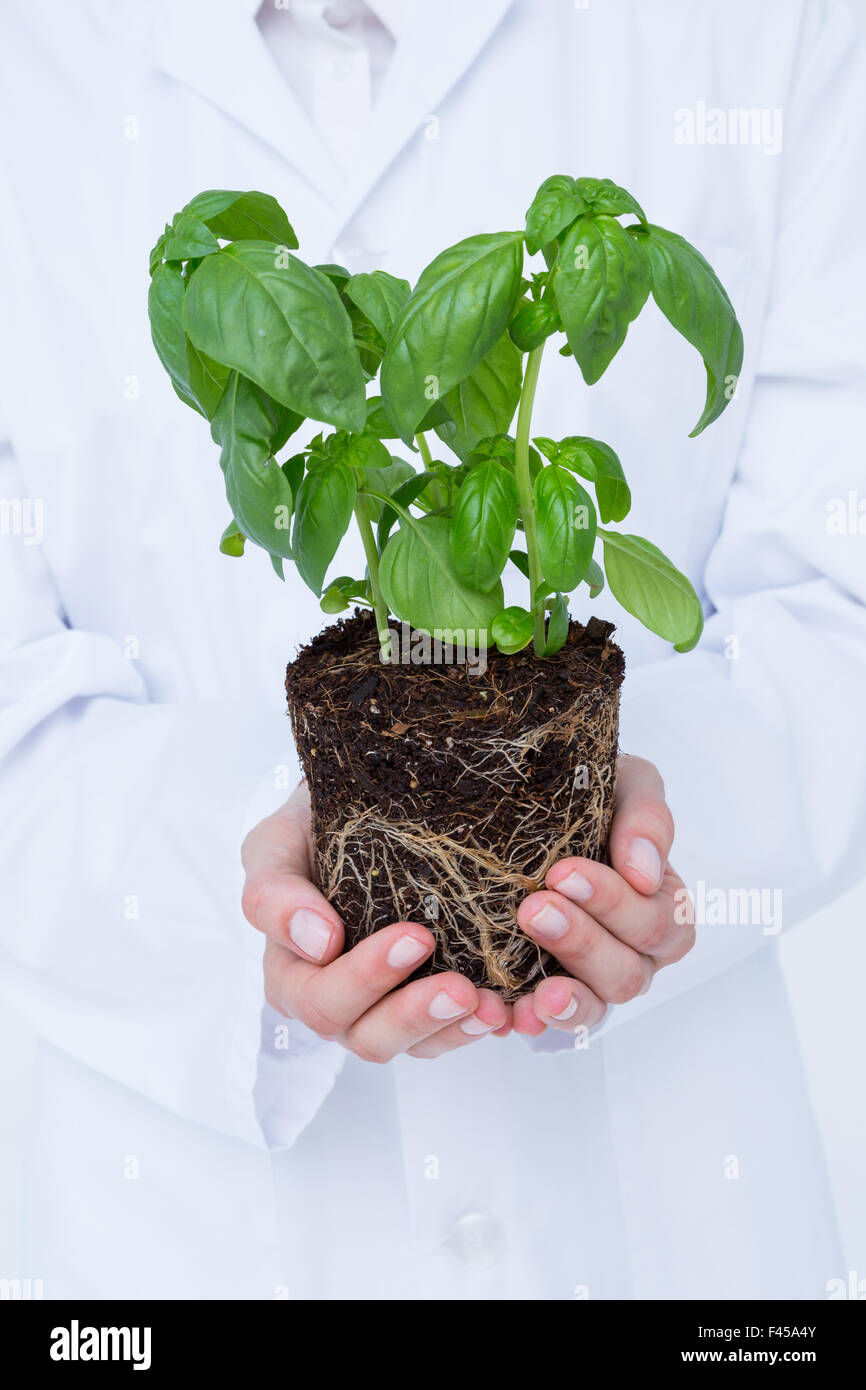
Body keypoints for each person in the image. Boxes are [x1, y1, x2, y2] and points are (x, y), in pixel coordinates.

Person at [1, 0, 864, 1299]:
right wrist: (257, 883)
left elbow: (838, 595)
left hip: (669, 1228)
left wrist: (650, 843)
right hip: (171, 1240)